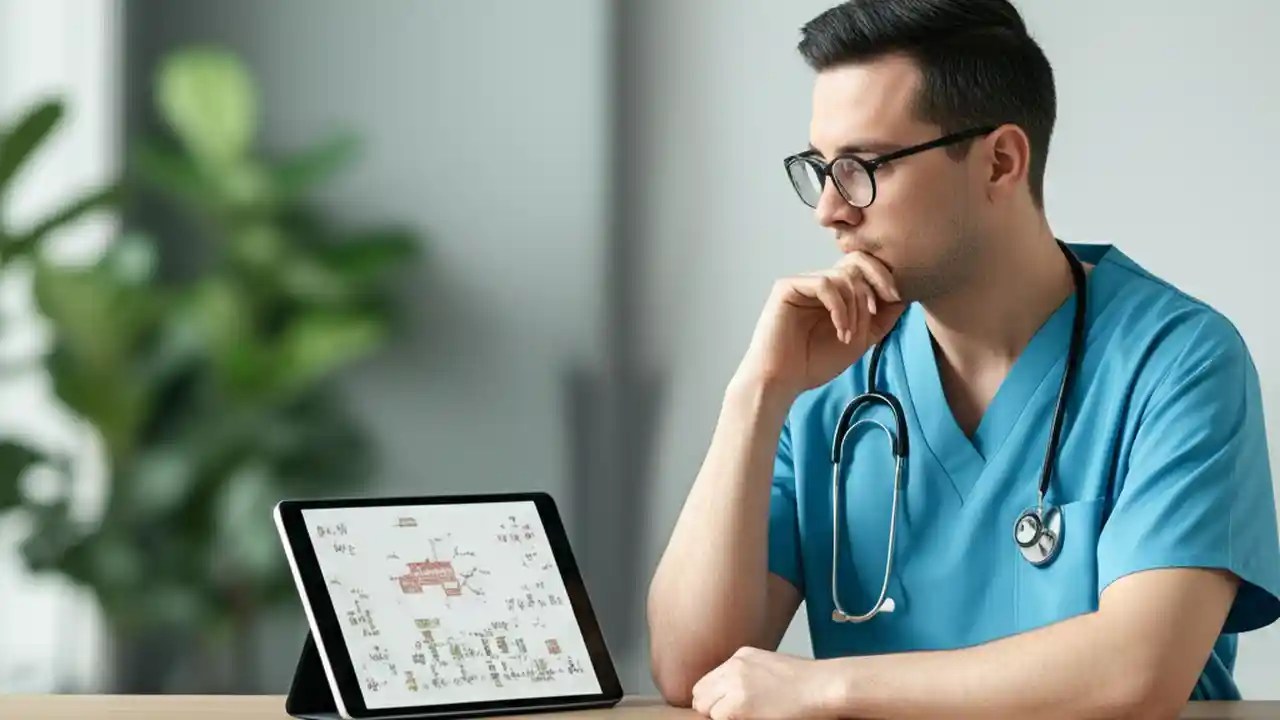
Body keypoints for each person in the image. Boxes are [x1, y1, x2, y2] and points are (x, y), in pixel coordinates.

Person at [646, 1, 1280, 718]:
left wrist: (828, 687)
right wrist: (756, 393)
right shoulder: (827, 385)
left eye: (860, 167)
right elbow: (691, 669)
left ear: (1000, 161)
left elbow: (1136, 675)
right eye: (820, 168)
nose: (829, 209)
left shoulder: (1177, 363)